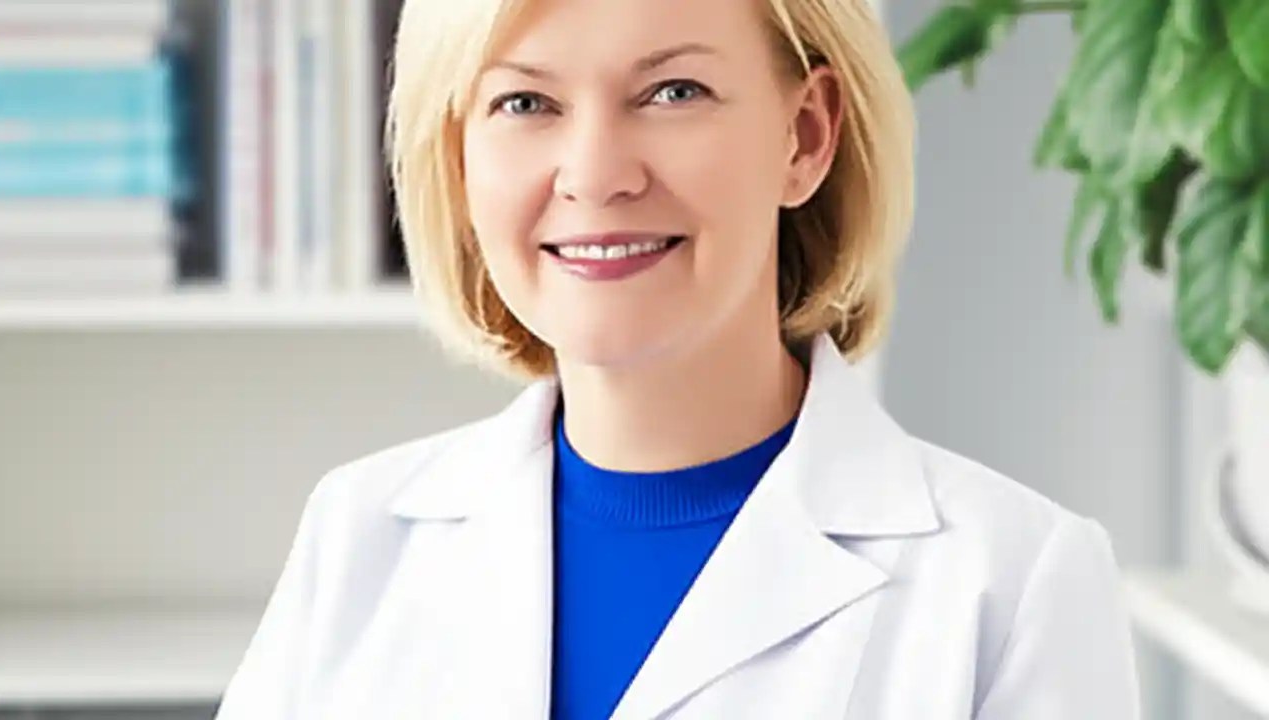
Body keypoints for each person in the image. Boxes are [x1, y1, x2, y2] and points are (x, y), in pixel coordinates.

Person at [214, 0, 1142, 717]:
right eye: (524, 102)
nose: (594, 172)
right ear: (459, 156)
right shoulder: (358, 537)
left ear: (806, 135)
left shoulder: (1012, 585)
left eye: (673, 93)